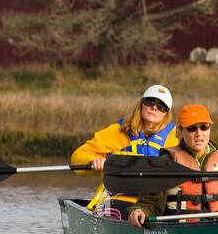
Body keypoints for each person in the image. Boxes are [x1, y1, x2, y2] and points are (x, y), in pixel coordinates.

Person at [124, 104, 218, 227]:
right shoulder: (165, 163)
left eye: (204, 127)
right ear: (180, 131)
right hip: (180, 231)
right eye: (192, 128)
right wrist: (139, 211)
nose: (199, 133)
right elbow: (150, 203)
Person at [71, 84, 180, 217]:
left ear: (166, 114)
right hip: (117, 198)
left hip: (153, 203)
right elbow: (78, 155)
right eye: (150, 102)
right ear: (141, 104)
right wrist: (93, 161)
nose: (154, 108)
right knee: (119, 212)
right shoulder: (117, 132)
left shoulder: (172, 142)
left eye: (161, 106)